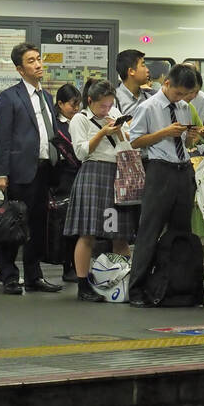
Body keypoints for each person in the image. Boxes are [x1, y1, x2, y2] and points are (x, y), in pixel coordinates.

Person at [126, 63, 204, 305]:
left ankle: (177, 284)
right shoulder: (148, 107)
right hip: (159, 170)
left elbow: (182, 141)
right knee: (149, 230)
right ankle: (137, 289)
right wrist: (163, 133)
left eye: (186, 95)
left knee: (181, 232)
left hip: (183, 169)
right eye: (179, 93)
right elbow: (135, 141)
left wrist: (190, 136)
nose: (181, 98)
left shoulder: (183, 107)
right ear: (167, 84)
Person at [0, 43, 62, 295]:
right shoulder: (9, 97)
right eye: (31, 61)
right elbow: (2, 138)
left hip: (44, 169)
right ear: (20, 69)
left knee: (37, 224)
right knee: (14, 224)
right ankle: (9, 275)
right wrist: (1, 173)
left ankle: (34, 275)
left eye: (39, 59)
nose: (38, 64)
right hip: (20, 171)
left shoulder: (47, 97)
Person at [65, 79, 136, 302]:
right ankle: (83, 284)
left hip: (117, 174)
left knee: (119, 233)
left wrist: (118, 131)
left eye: (109, 104)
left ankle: (123, 280)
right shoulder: (80, 119)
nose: (107, 109)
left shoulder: (114, 112)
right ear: (90, 101)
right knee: (88, 233)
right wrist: (102, 132)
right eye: (102, 106)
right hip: (93, 173)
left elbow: (128, 143)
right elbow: (81, 152)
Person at [51, 83, 82, 283]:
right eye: (72, 104)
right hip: (62, 177)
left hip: (78, 174)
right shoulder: (56, 125)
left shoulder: (80, 120)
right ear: (60, 104)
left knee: (78, 224)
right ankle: (66, 264)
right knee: (64, 223)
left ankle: (75, 264)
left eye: (78, 104)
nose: (76, 108)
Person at [114, 49, 154, 118]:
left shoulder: (149, 98)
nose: (147, 70)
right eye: (143, 65)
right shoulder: (114, 100)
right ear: (131, 71)